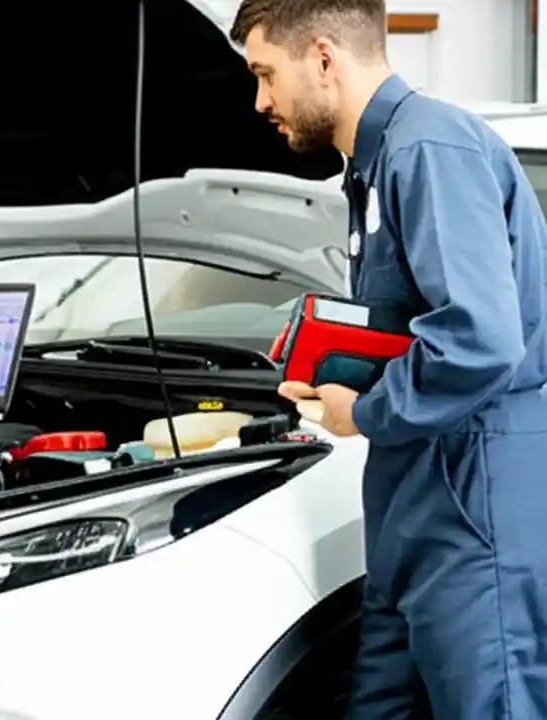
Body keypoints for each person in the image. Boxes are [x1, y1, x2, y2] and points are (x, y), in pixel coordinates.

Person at [230, 1, 547, 717]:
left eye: (265, 75)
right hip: (413, 512)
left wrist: (365, 408)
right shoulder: (375, 165)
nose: (260, 101)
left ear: (322, 57)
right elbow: (411, 328)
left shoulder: (428, 150)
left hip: (474, 509)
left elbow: (481, 337)